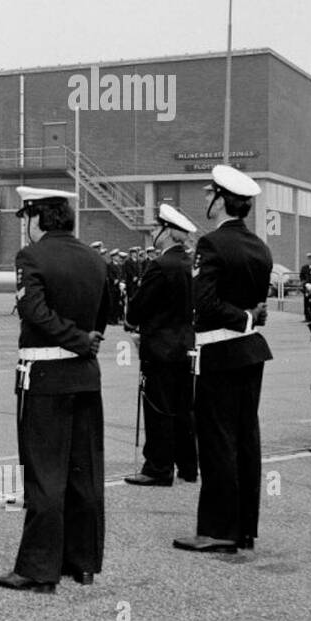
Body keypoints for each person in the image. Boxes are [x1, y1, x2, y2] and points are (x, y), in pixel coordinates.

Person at [0, 187, 109, 593]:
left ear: (37, 218)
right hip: (85, 376)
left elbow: (34, 312)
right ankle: (83, 561)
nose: (25, 227)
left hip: (43, 376)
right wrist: (83, 341)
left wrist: (73, 338)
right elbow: (108, 312)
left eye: (26, 218)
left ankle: (39, 569)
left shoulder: (32, 257)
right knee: (84, 472)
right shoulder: (95, 257)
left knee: (44, 474)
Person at [174, 166, 273, 555]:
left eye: (208, 193)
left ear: (220, 200)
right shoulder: (260, 247)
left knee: (217, 441)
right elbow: (255, 303)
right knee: (246, 439)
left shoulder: (212, 245)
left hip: (220, 350)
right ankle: (243, 527)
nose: (204, 199)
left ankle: (218, 529)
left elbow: (206, 303)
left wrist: (243, 317)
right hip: (250, 351)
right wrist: (248, 317)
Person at [123, 204, 198, 487]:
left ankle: (158, 467)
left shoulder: (161, 265)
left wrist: (133, 322)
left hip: (159, 347)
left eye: (156, 228)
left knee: (158, 408)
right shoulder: (188, 264)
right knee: (183, 408)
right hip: (184, 345)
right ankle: (188, 466)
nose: (154, 232)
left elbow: (138, 307)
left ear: (167, 233)